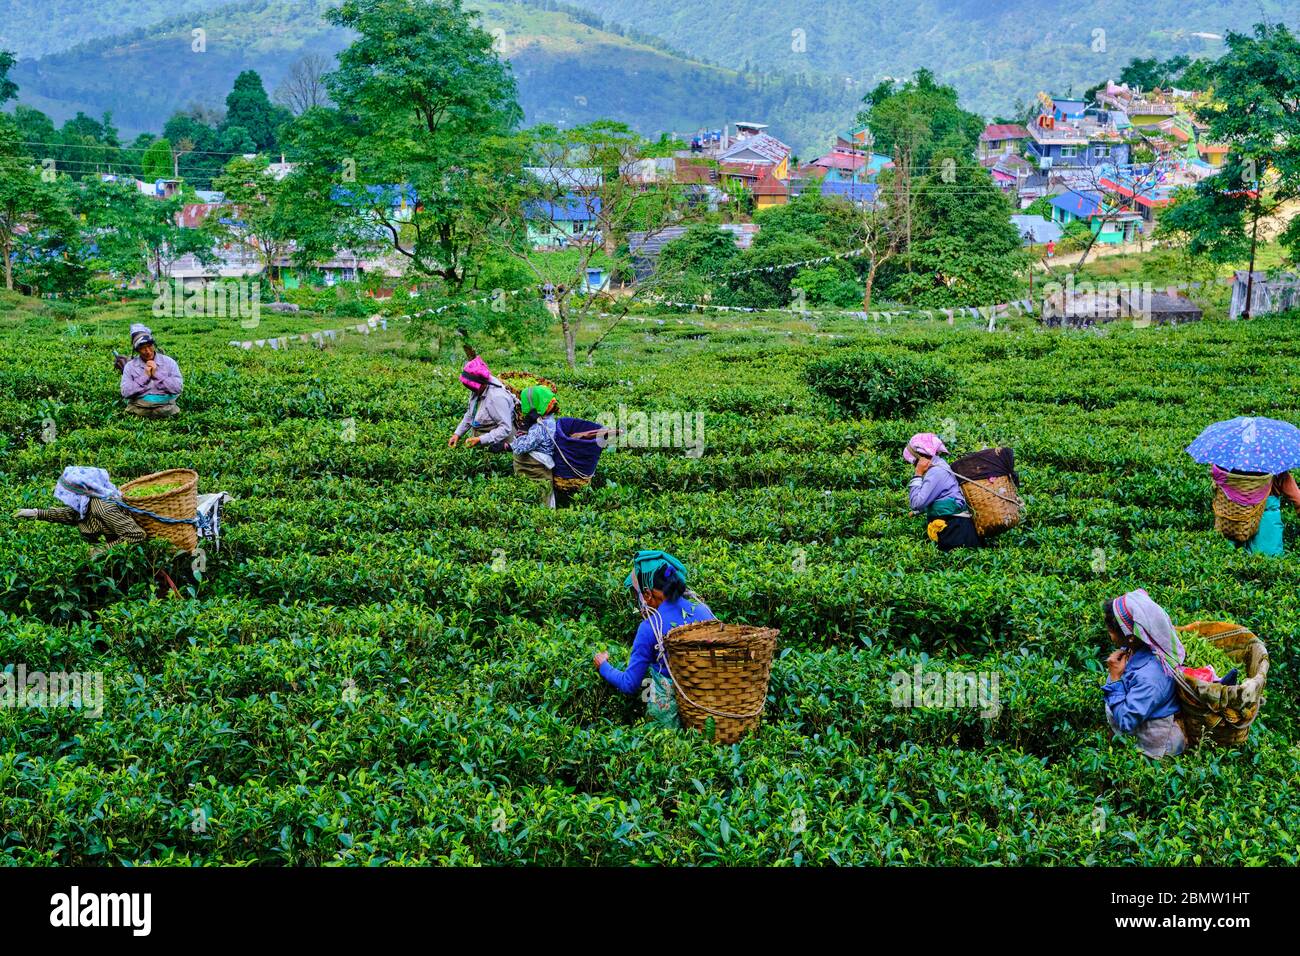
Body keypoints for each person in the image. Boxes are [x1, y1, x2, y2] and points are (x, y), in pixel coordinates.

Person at [593, 550, 715, 728]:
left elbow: (629, 683)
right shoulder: (704, 611)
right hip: (708, 712)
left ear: (648, 594)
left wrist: (603, 666)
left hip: (670, 726)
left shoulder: (650, 627)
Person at [1101, 590, 1186, 759]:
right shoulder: (1136, 648)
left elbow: (1126, 721)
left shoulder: (1151, 677)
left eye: (1111, 631)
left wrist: (1115, 679)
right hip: (1140, 728)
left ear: (1131, 636)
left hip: (1154, 748)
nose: (1109, 635)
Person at [12, 466, 146, 554]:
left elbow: (136, 535)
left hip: (122, 558)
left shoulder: (104, 508)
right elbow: (71, 514)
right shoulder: (87, 502)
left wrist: (103, 550)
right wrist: (37, 513)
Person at [904, 433, 980, 551]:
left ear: (921, 457)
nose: (914, 465)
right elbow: (938, 498)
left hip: (956, 532)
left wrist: (918, 473)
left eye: (914, 462)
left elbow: (916, 503)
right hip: (955, 530)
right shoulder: (938, 466)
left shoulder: (936, 472)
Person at [448, 356, 517, 452]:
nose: (471, 390)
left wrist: (481, 439)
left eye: (471, 387)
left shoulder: (497, 397)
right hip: (480, 438)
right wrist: (457, 434)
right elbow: (470, 413)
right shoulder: (478, 389)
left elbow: (505, 428)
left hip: (499, 443)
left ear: (482, 384)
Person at [511, 384, 561, 508]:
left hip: (535, 470)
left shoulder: (539, 427)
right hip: (543, 468)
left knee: (536, 503)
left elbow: (520, 447)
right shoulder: (549, 419)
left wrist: (525, 426)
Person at [120, 324, 183, 418]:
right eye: (142, 348)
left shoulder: (169, 362)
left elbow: (178, 388)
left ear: (154, 345)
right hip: (138, 410)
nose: (148, 351)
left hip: (166, 409)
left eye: (150, 346)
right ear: (137, 350)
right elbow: (125, 392)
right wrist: (145, 377)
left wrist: (156, 374)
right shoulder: (130, 366)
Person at [1241, 471, 1300, 556]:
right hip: (1268, 527)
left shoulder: (1237, 471)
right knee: (1269, 562)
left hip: (1240, 523)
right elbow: (1298, 499)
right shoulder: (1278, 472)